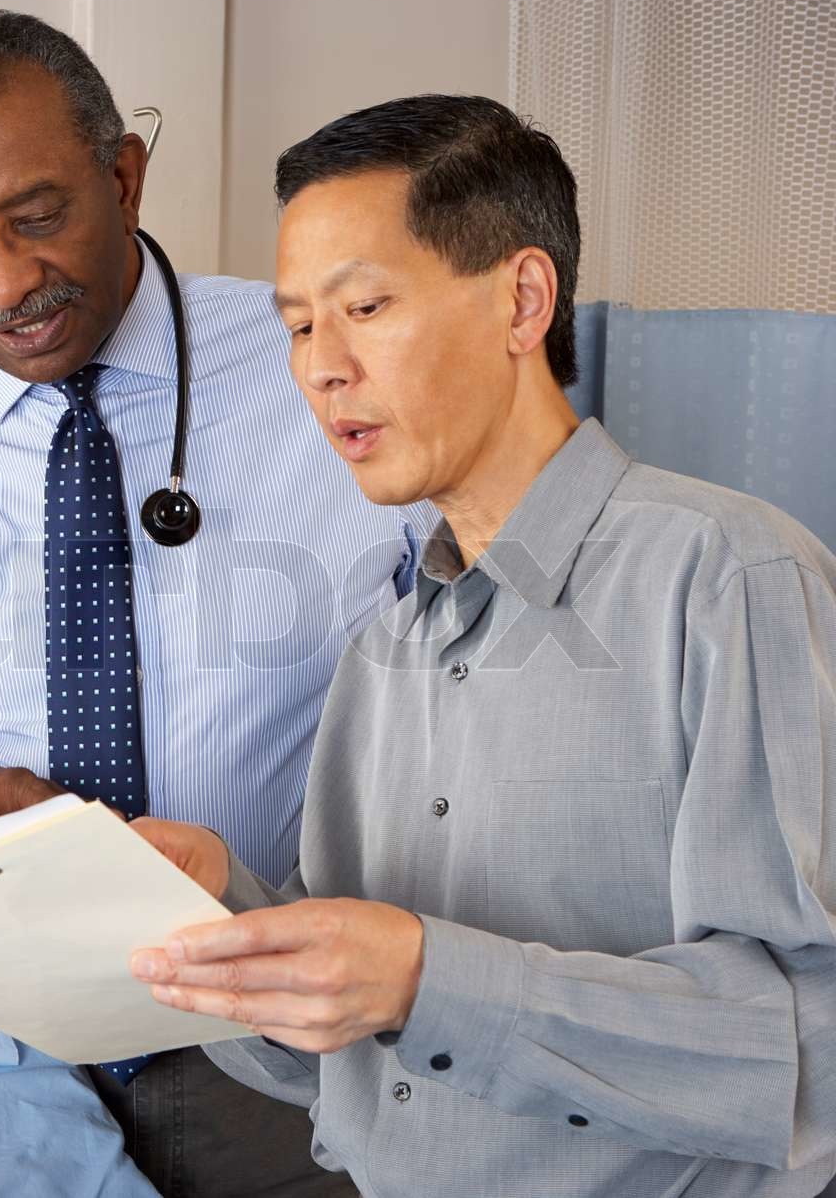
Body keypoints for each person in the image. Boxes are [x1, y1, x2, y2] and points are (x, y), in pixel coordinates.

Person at [128, 94, 836, 1196]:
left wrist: (430, 983)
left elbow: (810, 1044)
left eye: (365, 306)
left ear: (522, 300)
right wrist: (226, 909)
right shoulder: (382, 647)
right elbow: (347, 1062)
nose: (320, 367)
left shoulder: (726, 578)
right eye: (299, 325)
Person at [0, 9, 432, 1196]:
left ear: (124, 175)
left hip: (277, 1013)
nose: (3, 283)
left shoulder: (317, 365)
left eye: (36, 218)